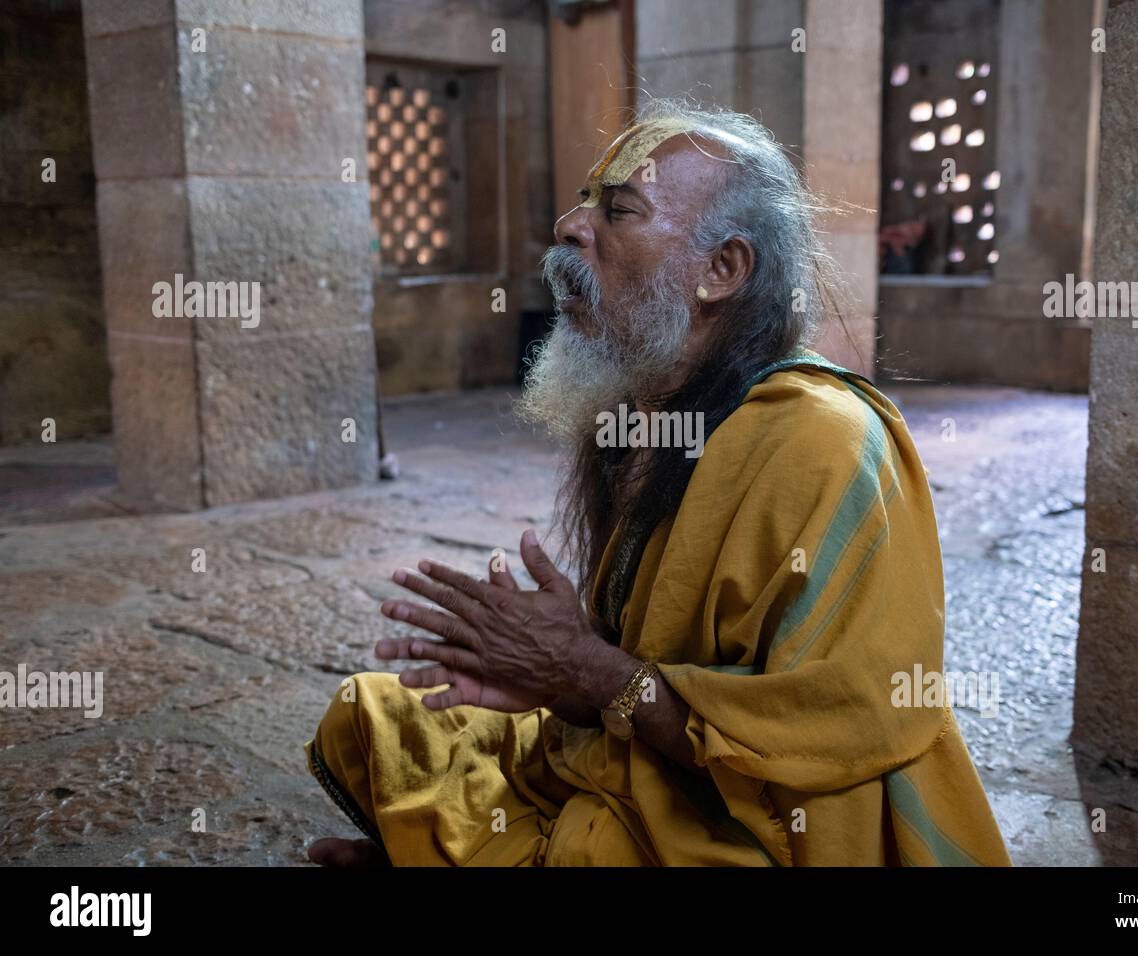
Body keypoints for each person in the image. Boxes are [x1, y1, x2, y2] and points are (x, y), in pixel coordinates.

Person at [305, 100, 1012, 867]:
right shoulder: (638, 418)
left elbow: (838, 731)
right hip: (632, 747)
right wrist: (553, 679)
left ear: (722, 270)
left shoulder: (827, 443)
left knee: (591, 850)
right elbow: (632, 667)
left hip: (773, 811)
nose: (571, 229)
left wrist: (585, 669)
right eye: (583, 204)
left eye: (618, 211)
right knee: (374, 718)